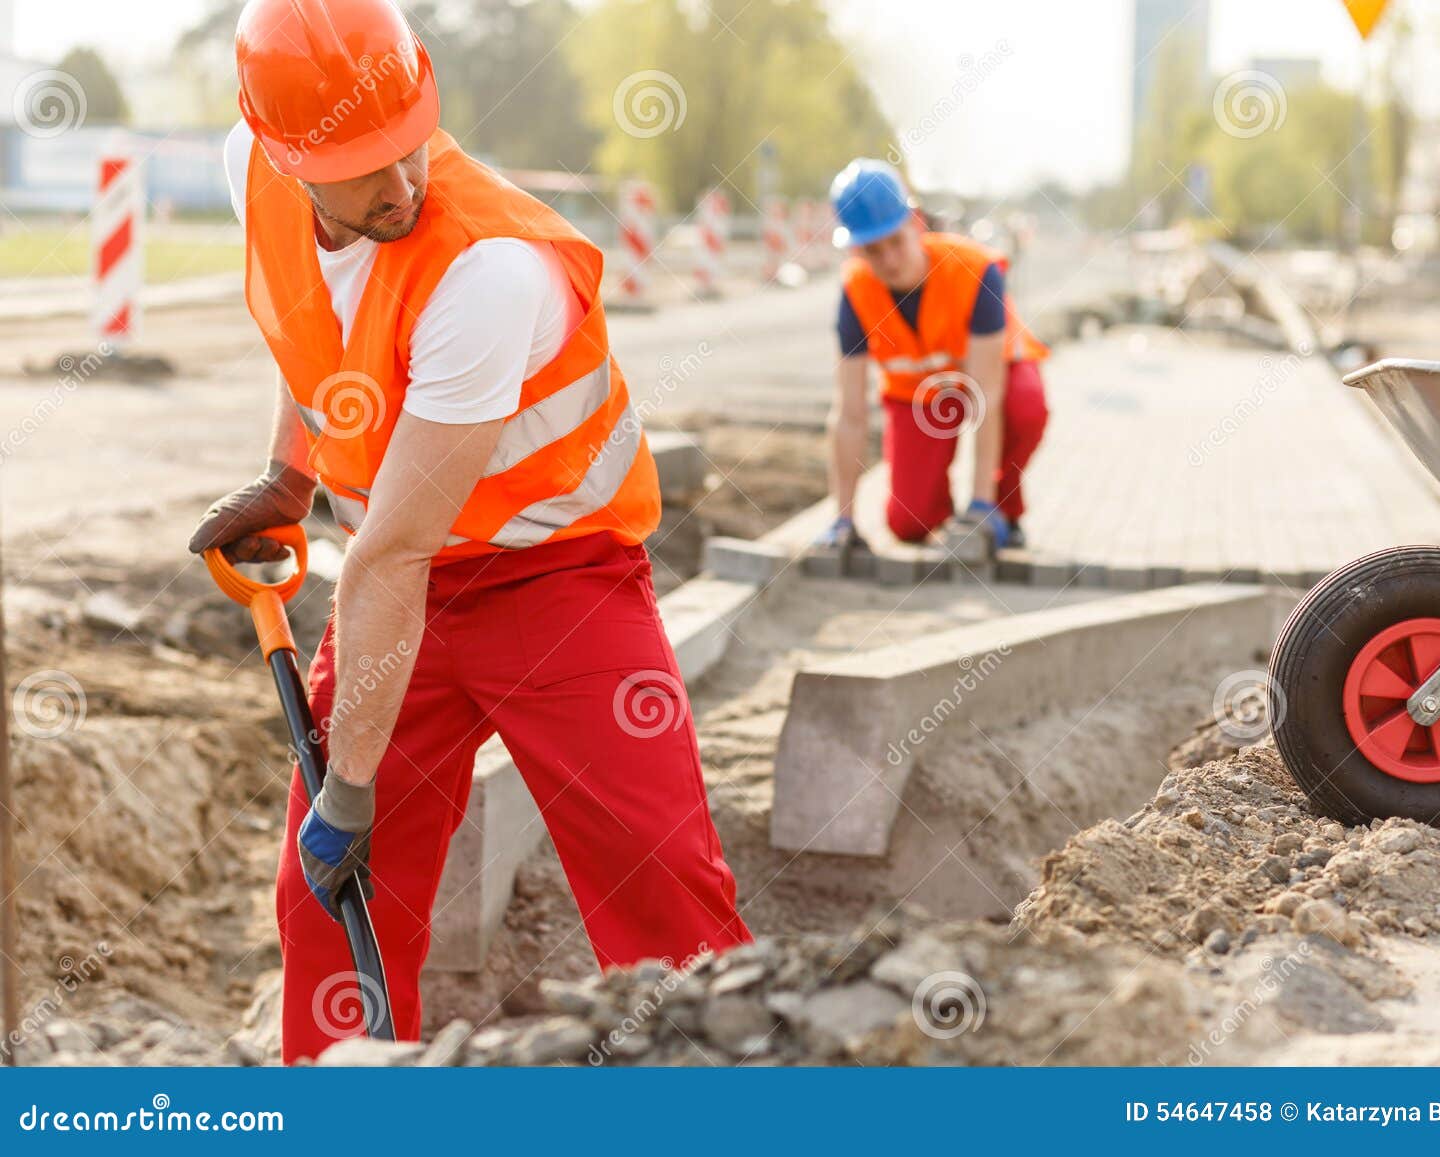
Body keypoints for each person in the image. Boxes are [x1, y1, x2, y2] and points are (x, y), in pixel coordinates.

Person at [190, 0, 750, 1063]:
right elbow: (310, 328)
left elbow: (388, 553)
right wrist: (287, 473)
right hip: (406, 588)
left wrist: (349, 787)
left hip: (560, 583)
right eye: (359, 166)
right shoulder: (251, 171)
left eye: (406, 147)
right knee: (326, 904)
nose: (398, 185)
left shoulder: (485, 268)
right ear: (281, 153)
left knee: (660, 880)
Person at [818, 159, 1049, 557]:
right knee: (908, 523)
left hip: (992, 381)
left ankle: (1000, 508)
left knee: (1025, 407)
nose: (888, 260)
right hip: (917, 398)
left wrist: (979, 505)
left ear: (916, 222)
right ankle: (941, 514)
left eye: (895, 241)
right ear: (856, 248)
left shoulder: (974, 271)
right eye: (873, 250)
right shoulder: (856, 294)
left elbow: (986, 396)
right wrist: (843, 519)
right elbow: (850, 413)